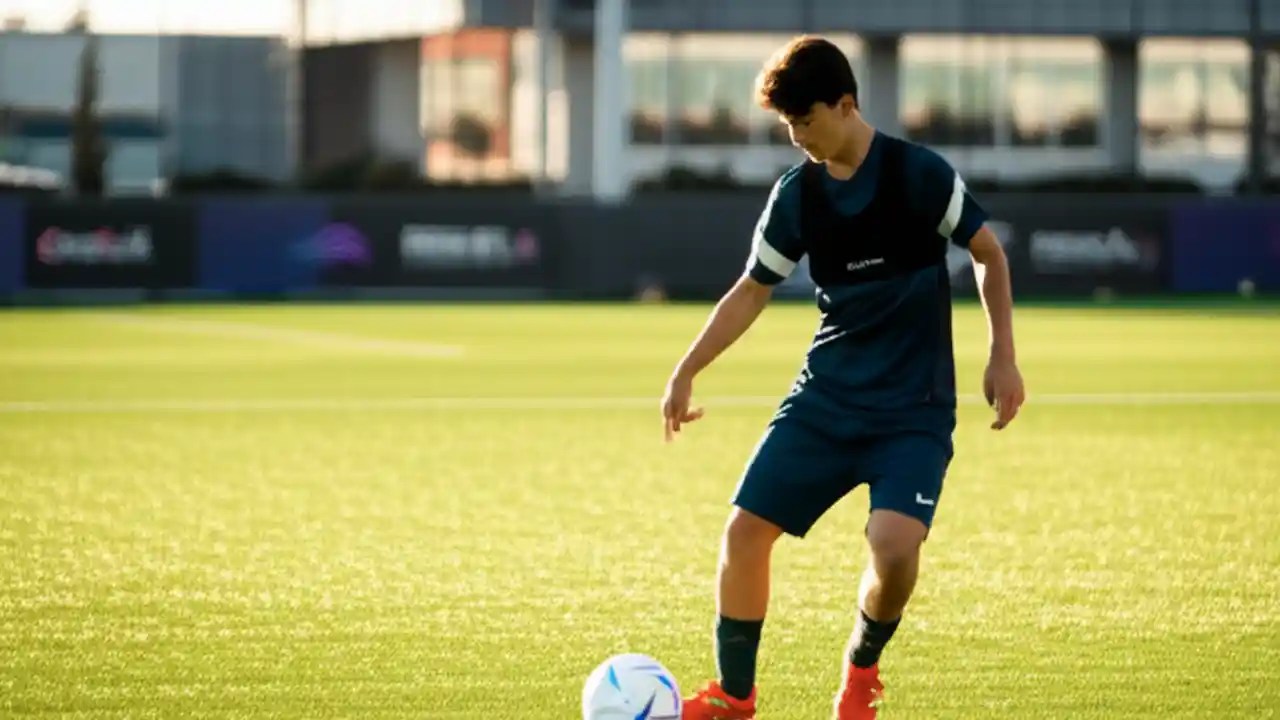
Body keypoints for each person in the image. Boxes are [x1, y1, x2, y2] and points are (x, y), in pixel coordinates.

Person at [660, 35, 1026, 720]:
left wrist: (1001, 354)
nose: (797, 138)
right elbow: (751, 289)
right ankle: (735, 697)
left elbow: (988, 254)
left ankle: (860, 672)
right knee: (743, 533)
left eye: (805, 121)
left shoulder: (920, 175)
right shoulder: (797, 196)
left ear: (846, 103)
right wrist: (687, 369)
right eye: (787, 126)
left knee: (892, 549)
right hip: (826, 400)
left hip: (911, 412)